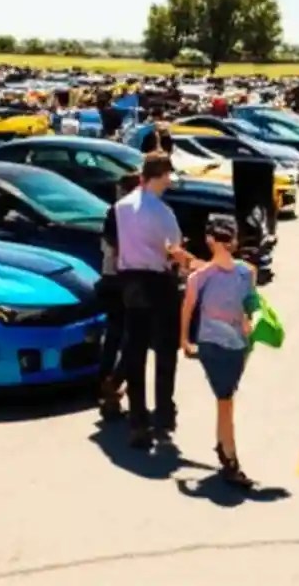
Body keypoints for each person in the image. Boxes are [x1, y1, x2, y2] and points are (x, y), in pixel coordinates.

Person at [106, 152, 192, 449]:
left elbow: (115, 242)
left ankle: (138, 420)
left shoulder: (121, 207)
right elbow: (174, 251)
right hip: (159, 280)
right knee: (165, 350)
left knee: (136, 349)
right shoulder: (164, 213)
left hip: (130, 280)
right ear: (162, 175)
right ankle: (164, 411)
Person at [180, 216, 257, 488]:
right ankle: (230, 459)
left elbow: (250, 304)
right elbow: (187, 309)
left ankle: (223, 447)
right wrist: (185, 341)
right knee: (225, 401)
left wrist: (251, 326)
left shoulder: (245, 272)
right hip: (214, 345)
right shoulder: (201, 277)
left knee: (226, 400)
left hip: (238, 344)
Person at [96, 172, 140, 419]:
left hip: (112, 278)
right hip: (120, 280)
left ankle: (106, 385)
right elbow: (116, 247)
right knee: (124, 336)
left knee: (115, 335)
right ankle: (110, 387)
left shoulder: (115, 212)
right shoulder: (121, 213)